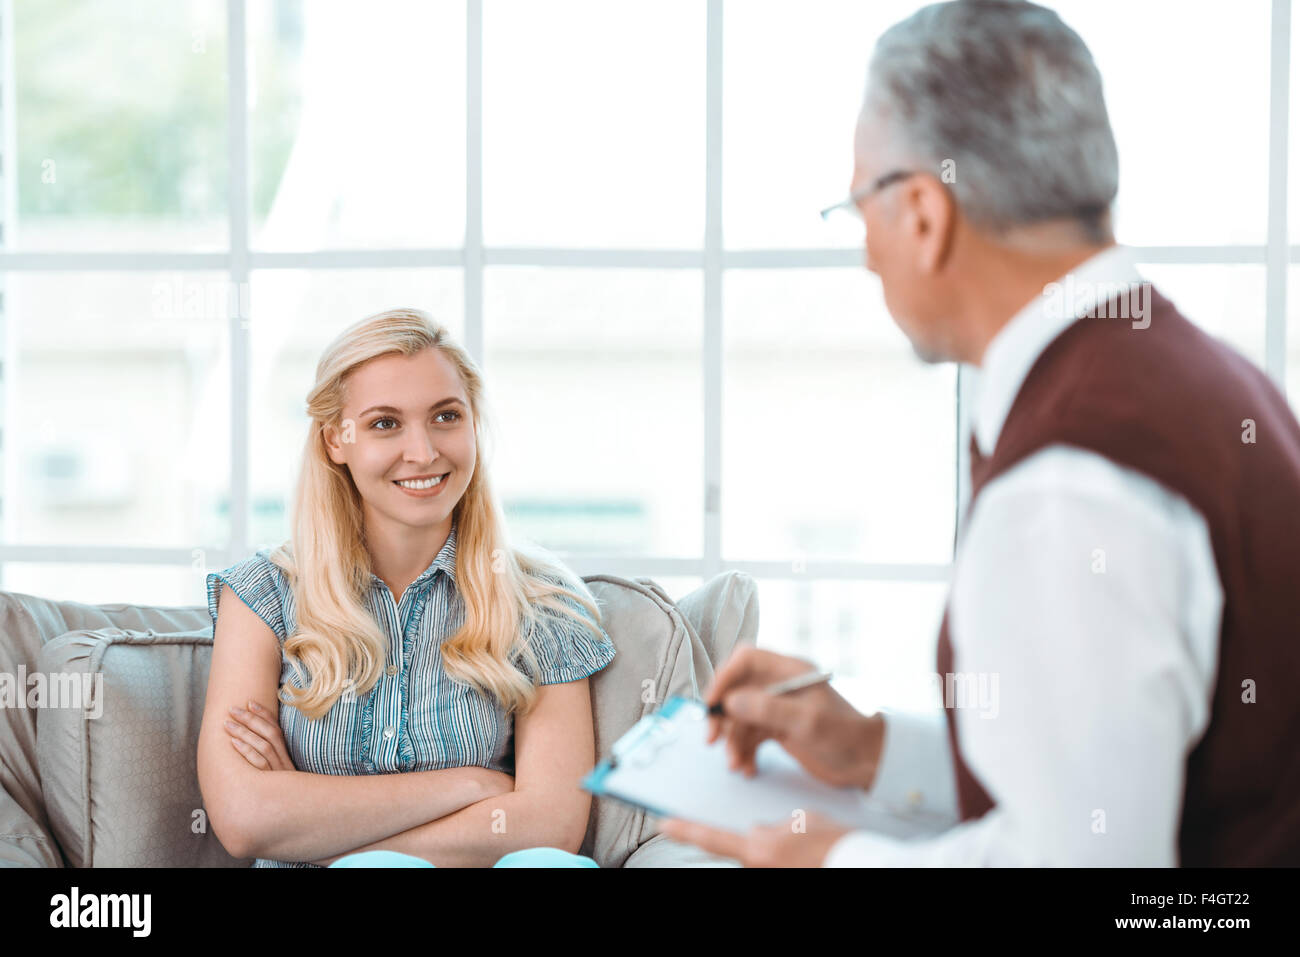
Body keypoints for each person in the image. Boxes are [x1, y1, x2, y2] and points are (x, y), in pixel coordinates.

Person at [661, 0, 1300, 866]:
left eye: (860, 209)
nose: (866, 256)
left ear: (923, 213)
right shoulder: (1211, 381)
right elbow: (1107, 787)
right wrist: (877, 751)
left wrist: (830, 862)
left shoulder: (1065, 484)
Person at [197, 307, 615, 867]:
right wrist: (472, 787)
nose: (423, 452)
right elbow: (246, 820)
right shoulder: (262, 595)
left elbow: (551, 827)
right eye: (385, 424)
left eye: (446, 416)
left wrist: (313, 825)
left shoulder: (540, 601)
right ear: (334, 442)